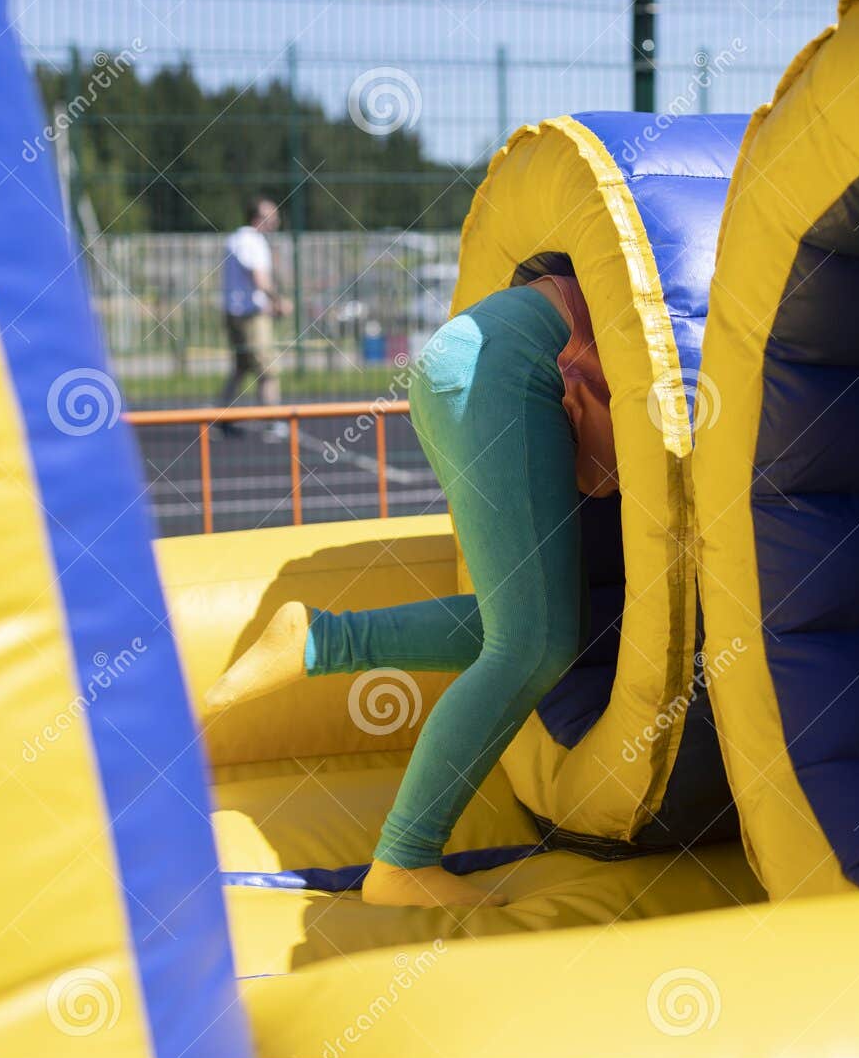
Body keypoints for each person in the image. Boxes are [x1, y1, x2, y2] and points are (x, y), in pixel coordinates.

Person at [204, 274, 617, 909]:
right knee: (534, 644)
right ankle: (403, 861)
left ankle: (320, 641)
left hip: (492, 355)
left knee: (540, 617)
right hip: (505, 367)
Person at [218, 196, 291, 438]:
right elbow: (258, 278)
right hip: (250, 317)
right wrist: (277, 301)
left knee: (241, 368)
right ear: (258, 217)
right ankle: (273, 421)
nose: (277, 218)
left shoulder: (237, 239)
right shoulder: (251, 241)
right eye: (272, 214)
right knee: (267, 369)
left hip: (236, 314)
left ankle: (220, 418)